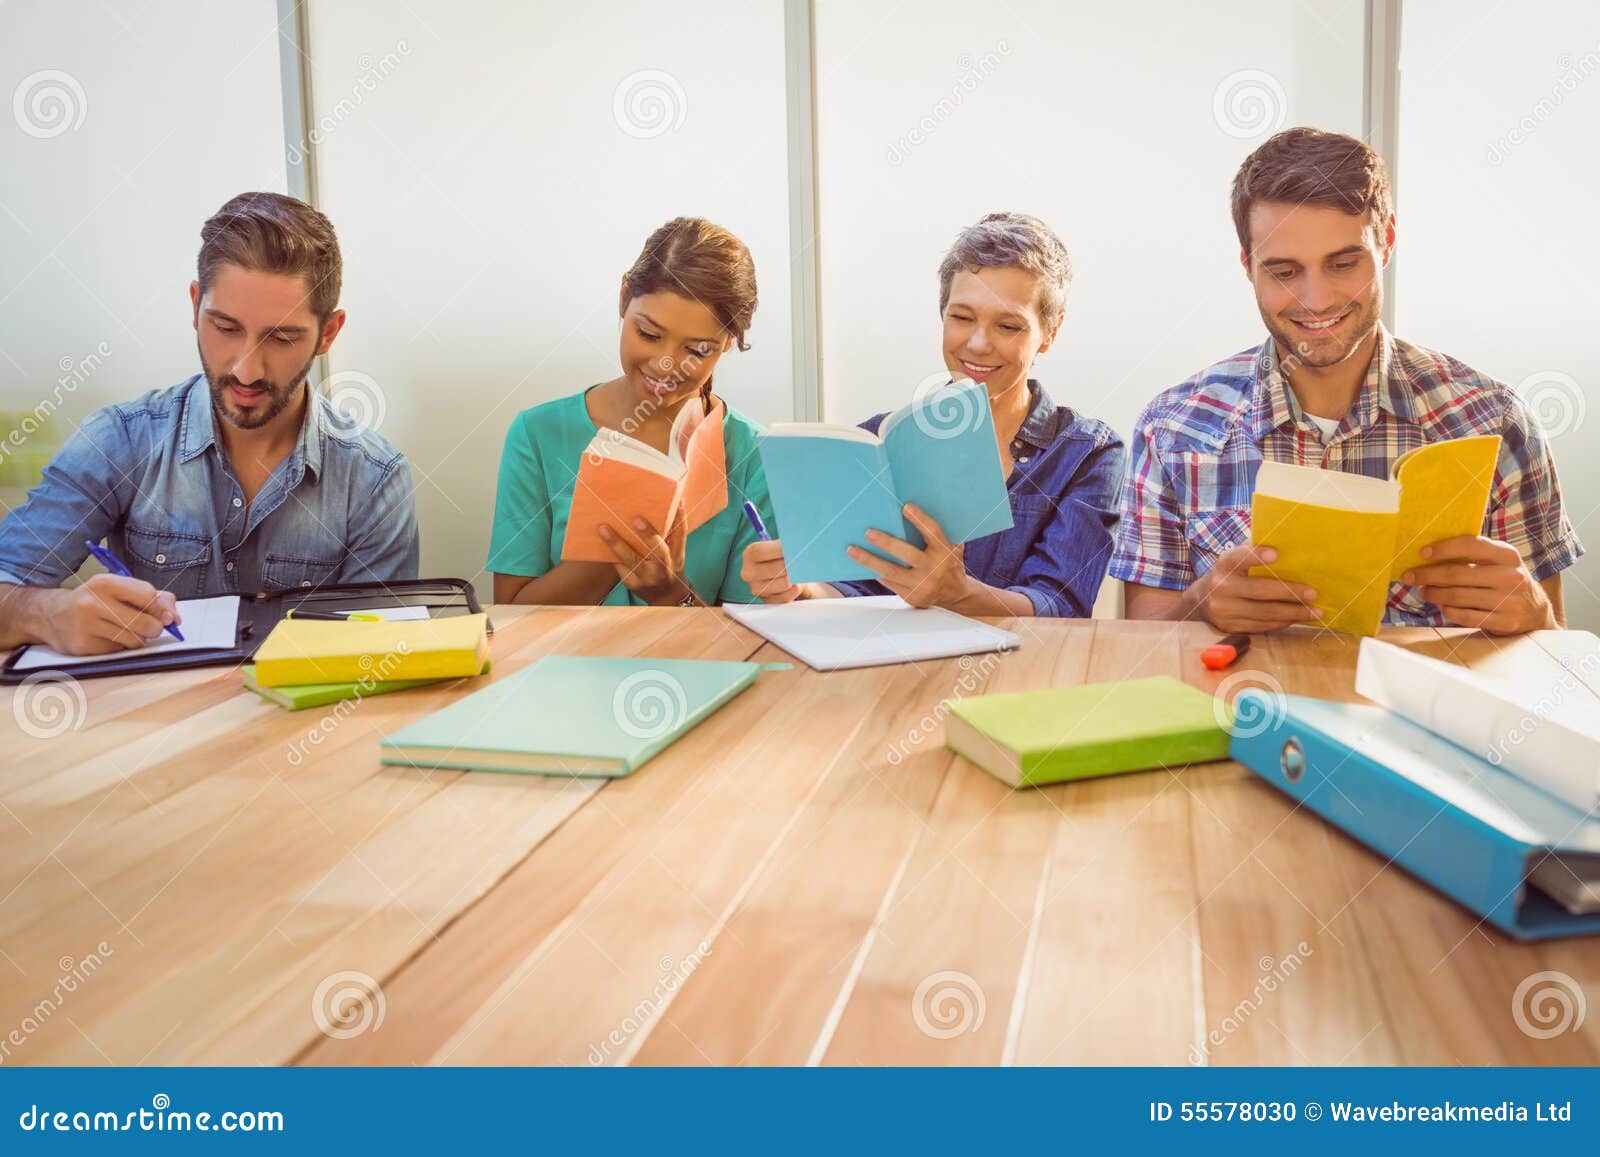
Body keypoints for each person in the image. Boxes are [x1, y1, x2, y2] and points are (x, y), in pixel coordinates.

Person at [1114, 128, 1582, 636]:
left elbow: (1550, 648)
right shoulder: (1173, 428)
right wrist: (1200, 604)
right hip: (1243, 710)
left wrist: (1533, 613)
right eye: (1285, 272)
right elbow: (1140, 642)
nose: (1316, 300)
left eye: (1342, 263)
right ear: (1248, 267)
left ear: (1386, 243)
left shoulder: (1493, 421)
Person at [0, 191, 419, 656]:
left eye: (281, 337)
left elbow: (376, 669)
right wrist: (46, 614)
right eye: (225, 328)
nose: (246, 369)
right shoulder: (121, 440)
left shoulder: (374, 480)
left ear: (328, 333)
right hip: (149, 725)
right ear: (195, 305)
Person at [740, 212, 1124, 617]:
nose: (977, 344)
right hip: (895, 673)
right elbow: (853, 591)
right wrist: (798, 586)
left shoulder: (1086, 454)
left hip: (1021, 674)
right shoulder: (876, 444)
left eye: (1008, 326)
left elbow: (1061, 607)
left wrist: (958, 594)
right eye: (961, 317)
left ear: (1049, 332)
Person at [490, 217, 775, 607]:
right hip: (560, 667)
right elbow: (511, 614)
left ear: (727, 343)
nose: (665, 365)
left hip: (698, 669)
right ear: (624, 297)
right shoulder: (537, 434)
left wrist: (669, 592)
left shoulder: (755, 454)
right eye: (649, 334)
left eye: (697, 350)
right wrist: (619, 545)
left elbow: (751, 641)